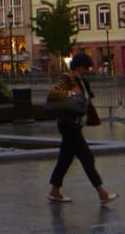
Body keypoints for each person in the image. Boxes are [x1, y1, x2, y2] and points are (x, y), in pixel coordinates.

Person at [46, 53, 117, 204]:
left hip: (74, 125)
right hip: (68, 124)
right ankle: (102, 192)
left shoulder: (81, 80)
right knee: (86, 157)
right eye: (86, 67)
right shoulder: (68, 78)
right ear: (78, 66)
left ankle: (54, 191)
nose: (87, 70)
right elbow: (53, 93)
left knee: (65, 159)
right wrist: (71, 93)